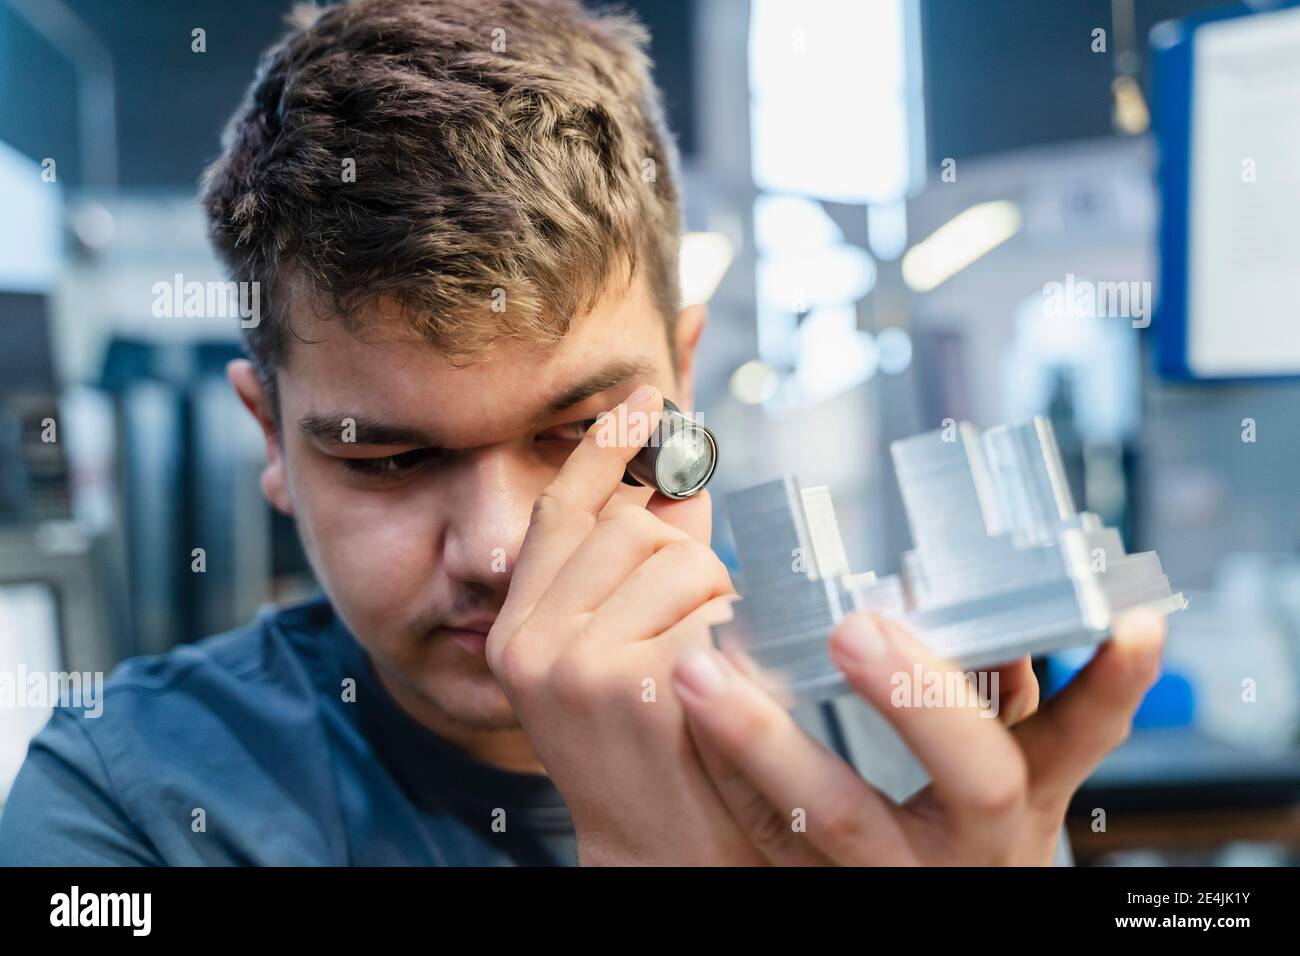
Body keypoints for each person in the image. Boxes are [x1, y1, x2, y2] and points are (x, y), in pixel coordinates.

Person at [0, 0, 1164, 866]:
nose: (504, 550)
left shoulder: (902, 736)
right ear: (272, 440)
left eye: (583, 434)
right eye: (388, 458)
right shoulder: (127, 802)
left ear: (685, 375)